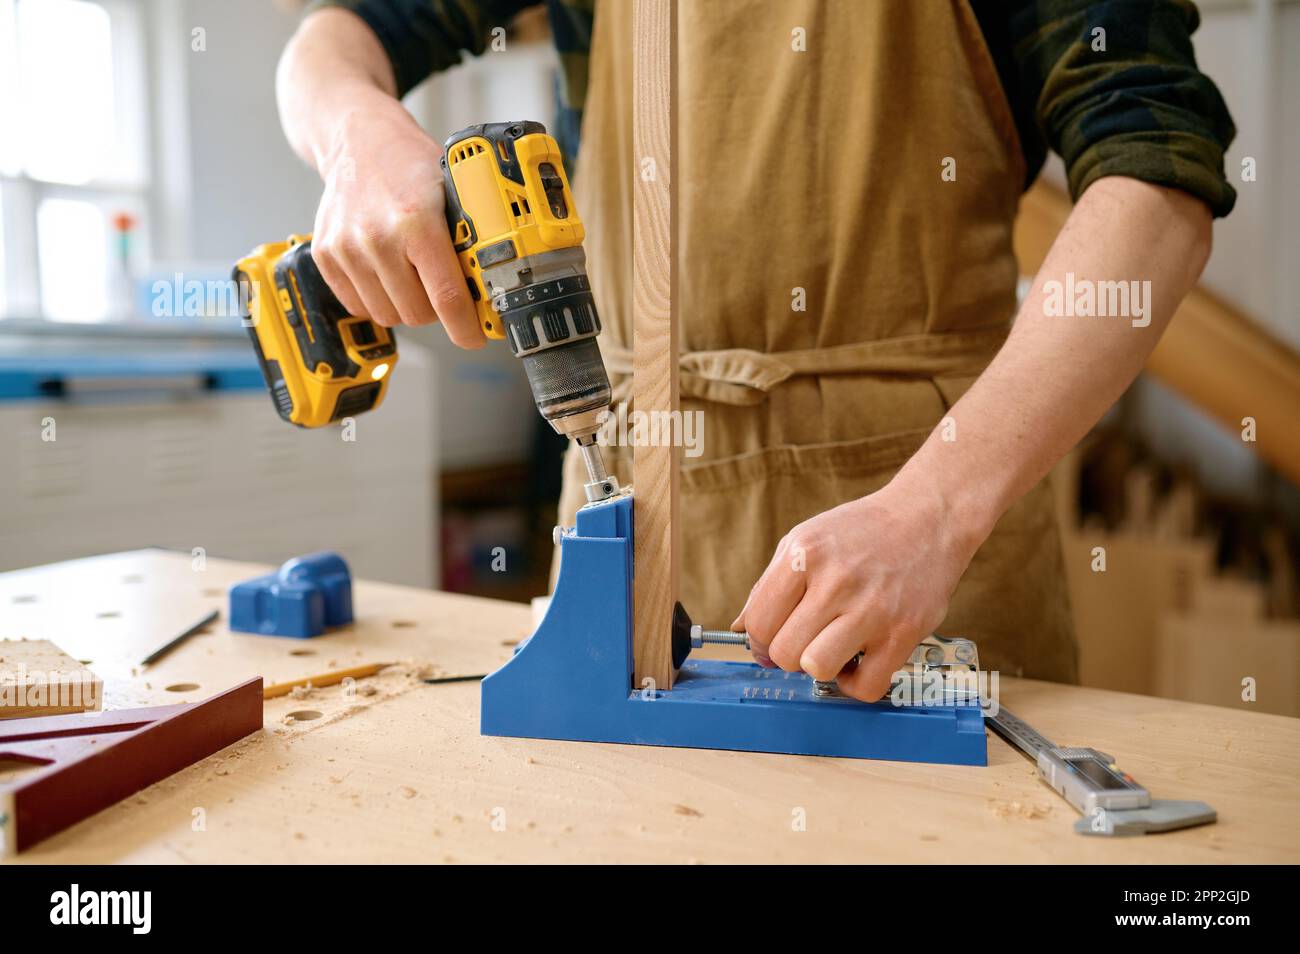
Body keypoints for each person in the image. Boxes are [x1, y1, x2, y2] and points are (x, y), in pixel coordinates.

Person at [277, 0, 1236, 700]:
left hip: (932, 526)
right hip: (629, 473)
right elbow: (332, 39)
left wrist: (936, 511)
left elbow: (1158, 175)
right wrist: (356, 131)